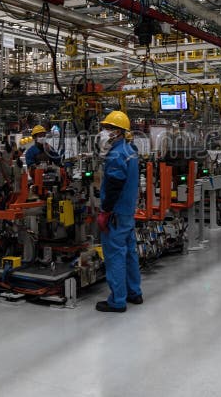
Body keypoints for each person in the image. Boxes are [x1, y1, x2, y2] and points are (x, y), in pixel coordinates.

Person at [95, 110, 142, 313]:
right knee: (130, 253)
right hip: (128, 211)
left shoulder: (116, 154)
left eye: (109, 128)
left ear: (119, 132)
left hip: (115, 212)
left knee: (115, 255)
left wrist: (105, 210)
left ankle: (117, 300)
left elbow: (114, 185)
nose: (105, 132)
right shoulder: (130, 150)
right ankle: (134, 292)